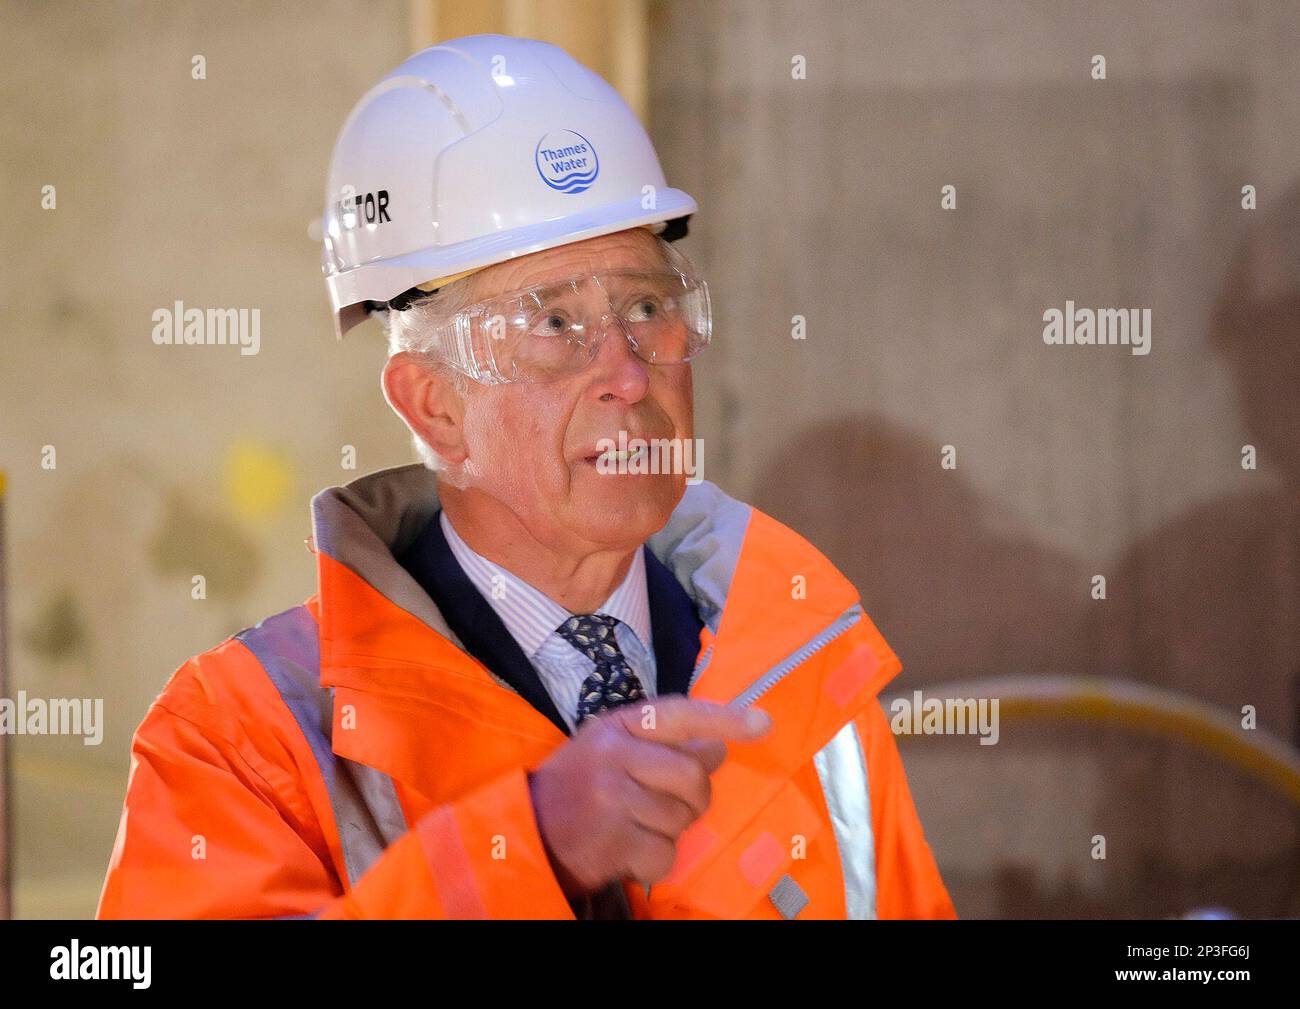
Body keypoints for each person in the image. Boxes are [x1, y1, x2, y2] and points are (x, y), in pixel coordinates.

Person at [97, 34, 955, 920]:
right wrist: (531, 846)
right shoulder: (240, 737)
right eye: (554, 323)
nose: (629, 373)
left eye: (649, 308)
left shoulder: (800, 675)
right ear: (434, 406)